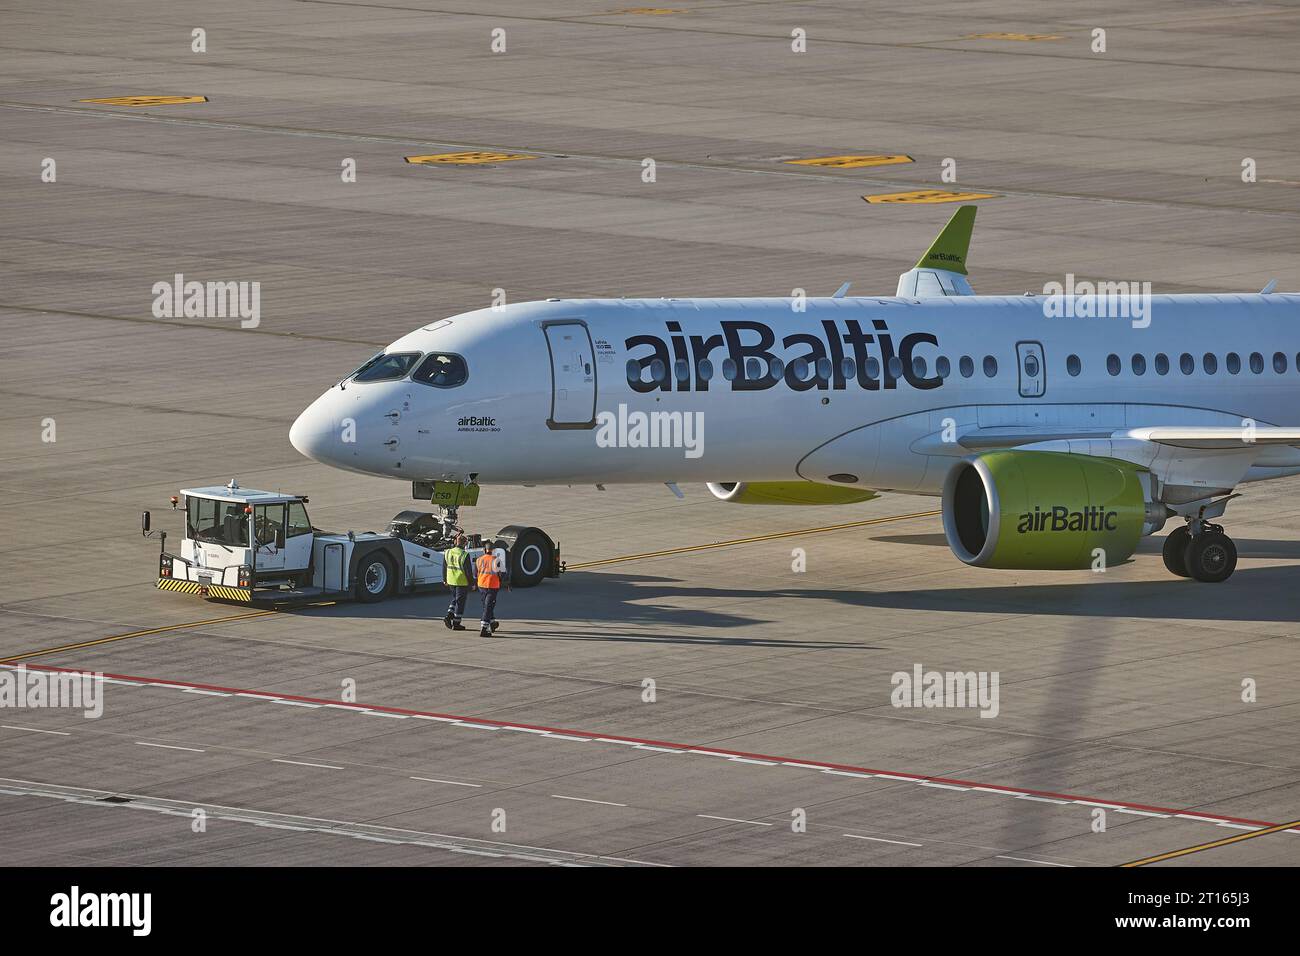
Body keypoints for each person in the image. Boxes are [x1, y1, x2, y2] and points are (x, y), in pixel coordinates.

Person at [475, 539, 508, 636]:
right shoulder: (496, 560)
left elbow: (475, 573)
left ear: (485, 550)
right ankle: (484, 628)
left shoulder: (479, 560)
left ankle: (492, 623)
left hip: (481, 585)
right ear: (494, 551)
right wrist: (502, 582)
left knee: (486, 605)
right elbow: (503, 574)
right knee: (488, 607)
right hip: (492, 586)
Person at [442, 534, 471, 631]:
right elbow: (468, 571)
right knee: (460, 602)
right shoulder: (464, 555)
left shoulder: (448, 552)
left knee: (455, 598)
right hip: (461, 581)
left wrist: (444, 579)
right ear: (465, 544)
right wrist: (472, 583)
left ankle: (449, 615)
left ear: (456, 542)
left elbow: (444, 567)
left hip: (450, 580)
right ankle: (456, 623)